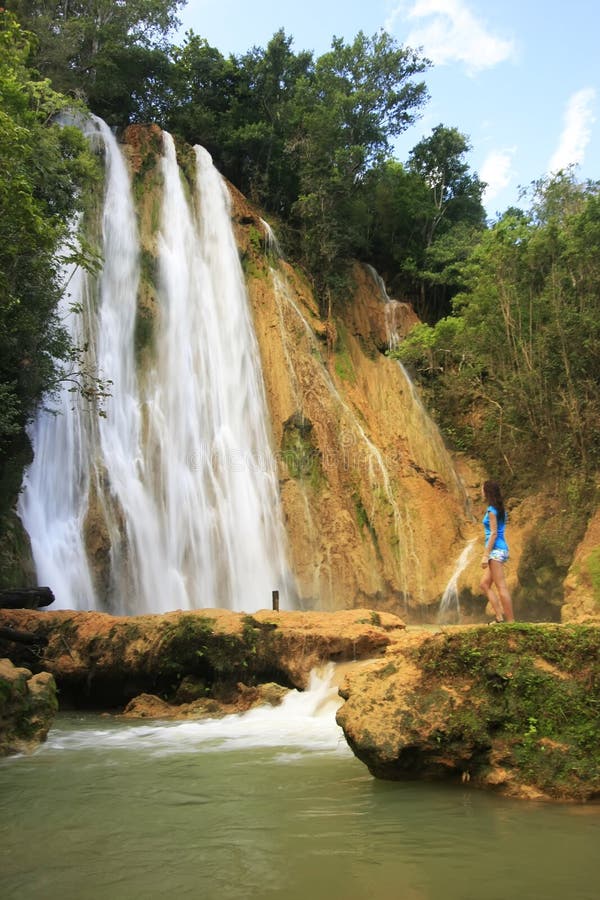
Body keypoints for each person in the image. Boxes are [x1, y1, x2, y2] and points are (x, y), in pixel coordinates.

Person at [479, 480, 515, 623]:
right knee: (484, 584)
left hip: (496, 550)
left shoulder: (491, 511)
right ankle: (499, 617)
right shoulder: (499, 509)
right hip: (501, 549)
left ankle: (511, 622)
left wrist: (485, 555)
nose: (481, 492)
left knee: (501, 586)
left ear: (487, 492)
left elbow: (494, 533)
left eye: (482, 490)